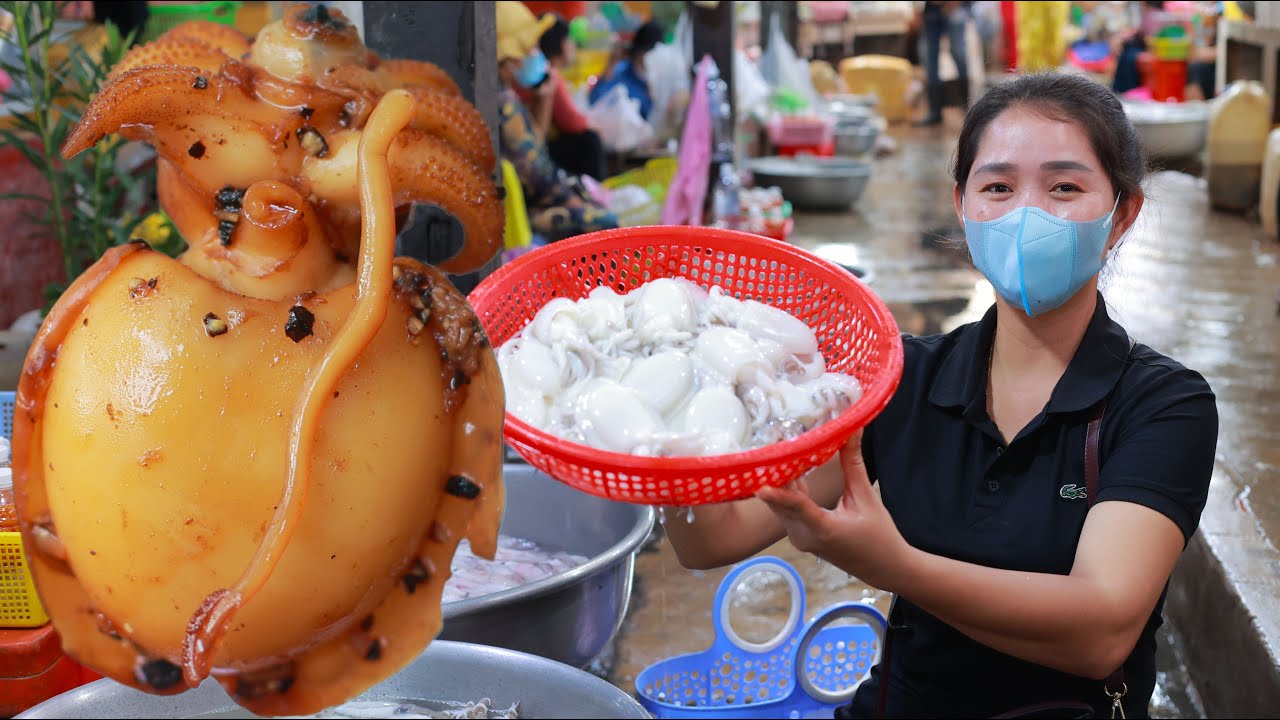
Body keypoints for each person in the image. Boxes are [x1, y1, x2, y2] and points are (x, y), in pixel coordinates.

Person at [663, 73, 1218, 718]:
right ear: (963, 206)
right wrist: (676, 430)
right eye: (998, 187)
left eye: (1065, 187)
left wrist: (892, 563)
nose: (1027, 215)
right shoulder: (898, 381)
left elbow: (1101, 633)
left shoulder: (1162, 404)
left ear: (1123, 213)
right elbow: (711, 541)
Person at [495, 2, 617, 242]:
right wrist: (569, 197)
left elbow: (533, 148)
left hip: (538, 199)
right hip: (533, 211)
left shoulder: (506, 96)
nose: (533, 54)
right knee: (608, 223)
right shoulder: (505, 104)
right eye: (528, 47)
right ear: (510, 54)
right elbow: (539, 177)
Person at [514, 15, 608, 181]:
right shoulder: (546, 74)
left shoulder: (535, 73)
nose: (572, 46)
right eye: (569, 40)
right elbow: (571, 122)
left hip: (533, 148)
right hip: (534, 154)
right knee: (589, 141)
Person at [588, 19, 664, 121]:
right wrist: (611, 66)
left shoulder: (662, 79)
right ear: (639, 53)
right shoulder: (621, 73)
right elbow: (596, 100)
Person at [916, 2, 971, 127]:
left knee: (959, 54)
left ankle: (966, 106)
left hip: (955, 7)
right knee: (930, 60)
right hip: (931, 10)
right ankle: (935, 113)